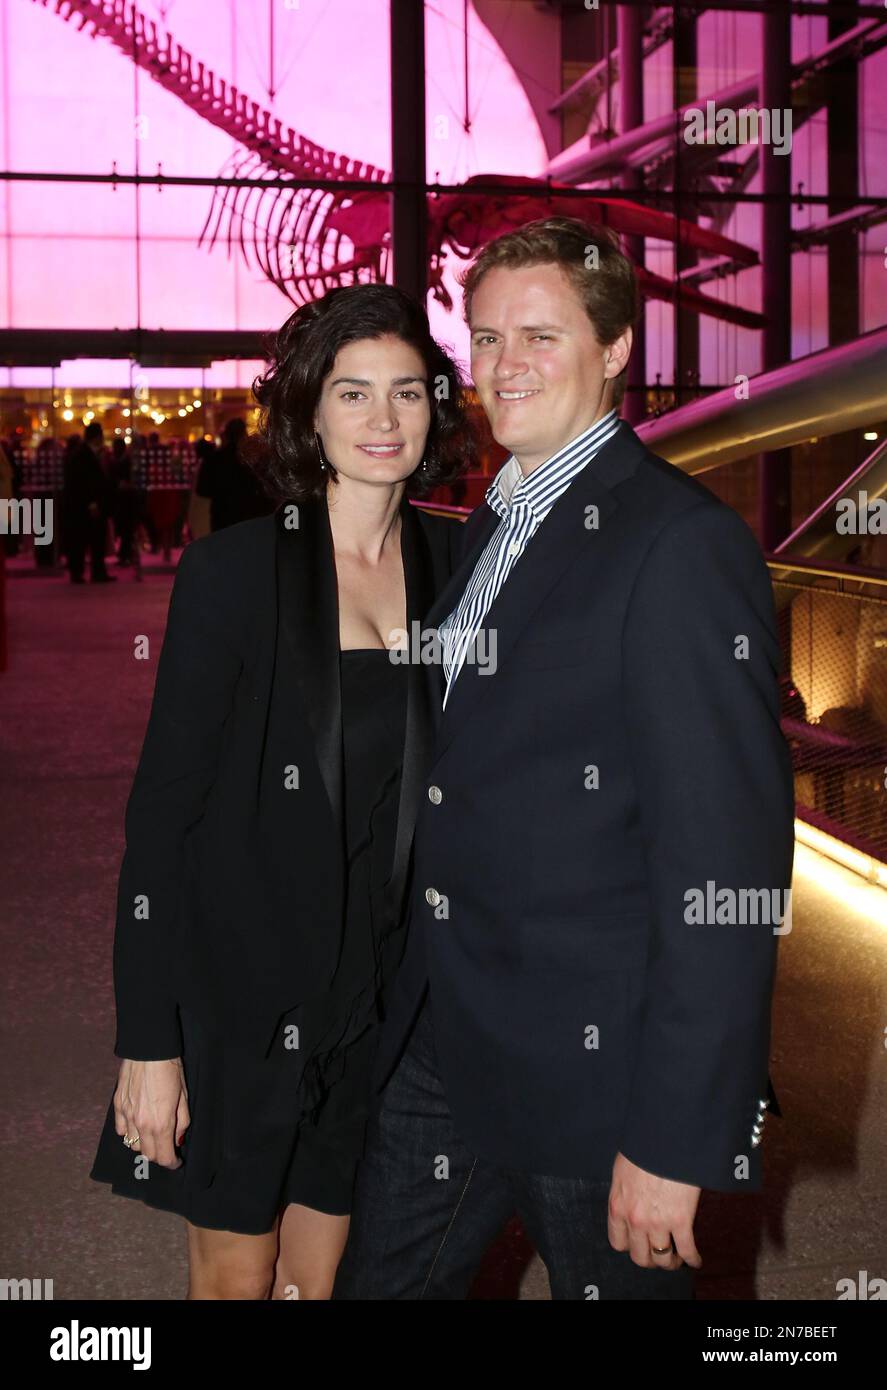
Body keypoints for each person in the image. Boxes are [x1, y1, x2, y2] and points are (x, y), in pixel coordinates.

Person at [333, 216, 796, 1301]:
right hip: (446, 1035)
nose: (502, 366)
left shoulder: (677, 545)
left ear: (617, 349)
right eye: (485, 339)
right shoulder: (497, 519)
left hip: (598, 1082)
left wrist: (679, 1137)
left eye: (537, 336)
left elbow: (723, 866)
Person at [89, 283, 475, 1299]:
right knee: (233, 1271)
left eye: (405, 392)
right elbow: (162, 815)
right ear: (308, 410)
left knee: (324, 1272)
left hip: (381, 992)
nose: (383, 420)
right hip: (240, 987)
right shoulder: (236, 572)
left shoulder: (461, 563)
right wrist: (147, 1041)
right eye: (352, 394)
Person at [193, 417, 275, 532]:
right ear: (244, 433)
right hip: (250, 516)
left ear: (225, 434)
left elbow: (203, 490)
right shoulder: (254, 460)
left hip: (222, 516)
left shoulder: (214, 459)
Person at [62, 422, 114, 583]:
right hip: (86, 506)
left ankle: (92, 571)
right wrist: (92, 503)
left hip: (87, 506)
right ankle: (86, 572)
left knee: (90, 539)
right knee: (86, 539)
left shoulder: (84, 454)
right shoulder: (83, 456)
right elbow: (83, 483)